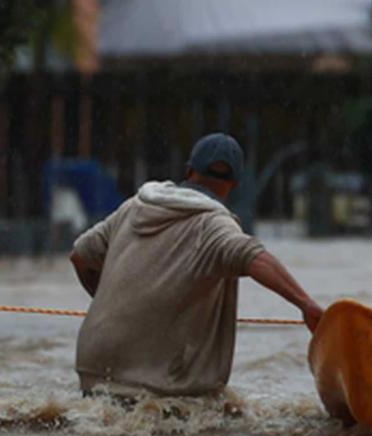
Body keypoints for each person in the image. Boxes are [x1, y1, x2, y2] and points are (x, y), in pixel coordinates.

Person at [70, 132, 323, 400]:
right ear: (234, 184)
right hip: (154, 378)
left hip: (93, 365)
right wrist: (306, 304)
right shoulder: (212, 224)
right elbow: (254, 257)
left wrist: (109, 305)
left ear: (189, 170)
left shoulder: (134, 206)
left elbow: (80, 255)